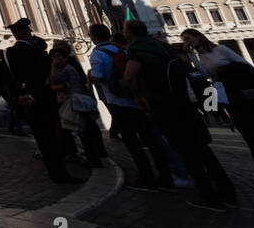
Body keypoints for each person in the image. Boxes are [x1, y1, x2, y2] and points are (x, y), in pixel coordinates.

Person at [124, 19, 236, 211]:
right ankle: (228, 191)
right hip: (185, 102)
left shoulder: (137, 48)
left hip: (165, 105)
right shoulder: (162, 45)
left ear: (130, 33)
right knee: (202, 149)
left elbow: (129, 75)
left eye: (126, 30)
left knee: (186, 150)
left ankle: (209, 196)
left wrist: (137, 95)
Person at [87, 23, 174, 190]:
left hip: (117, 102)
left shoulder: (97, 54)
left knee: (132, 142)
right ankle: (165, 175)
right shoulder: (123, 50)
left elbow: (98, 76)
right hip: (135, 99)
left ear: (93, 37)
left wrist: (91, 76)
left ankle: (146, 176)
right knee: (150, 139)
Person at [4, 17, 81, 183]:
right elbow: (44, 76)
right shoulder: (37, 53)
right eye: (29, 31)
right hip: (43, 100)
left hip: (25, 100)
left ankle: (54, 172)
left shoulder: (8, 53)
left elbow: (13, 78)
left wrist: (22, 96)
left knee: (41, 138)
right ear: (26, 32)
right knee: (53, 139)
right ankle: (61, 174)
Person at [183, 28, 254, 185]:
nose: (186, 41)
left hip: (244, 95)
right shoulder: (201, 56)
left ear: (198, 36)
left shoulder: (221, 49)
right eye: (184, 39)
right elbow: (205, 75)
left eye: (188, 38)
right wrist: (191, 56)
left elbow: (246, 66)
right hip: (230, 97)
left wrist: (223, 69)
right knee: (250, 139)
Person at [50, 41, 105, 168]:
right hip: (78, 100)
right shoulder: (70, 67)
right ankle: (94, 156)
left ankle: (93, 158)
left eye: (58, 57)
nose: (56, 60)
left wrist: (53, 67)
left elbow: (54, 82)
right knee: (85, 129)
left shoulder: (66, 70)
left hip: (74, 102)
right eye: (54, 57)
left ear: (64, 58)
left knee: (82, 130)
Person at [0, 49, 27, 136]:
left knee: (12, 109)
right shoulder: (4, 64)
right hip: (8, 89)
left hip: (4, 89)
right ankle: (19, 130)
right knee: (14, 109)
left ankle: (12, 127)